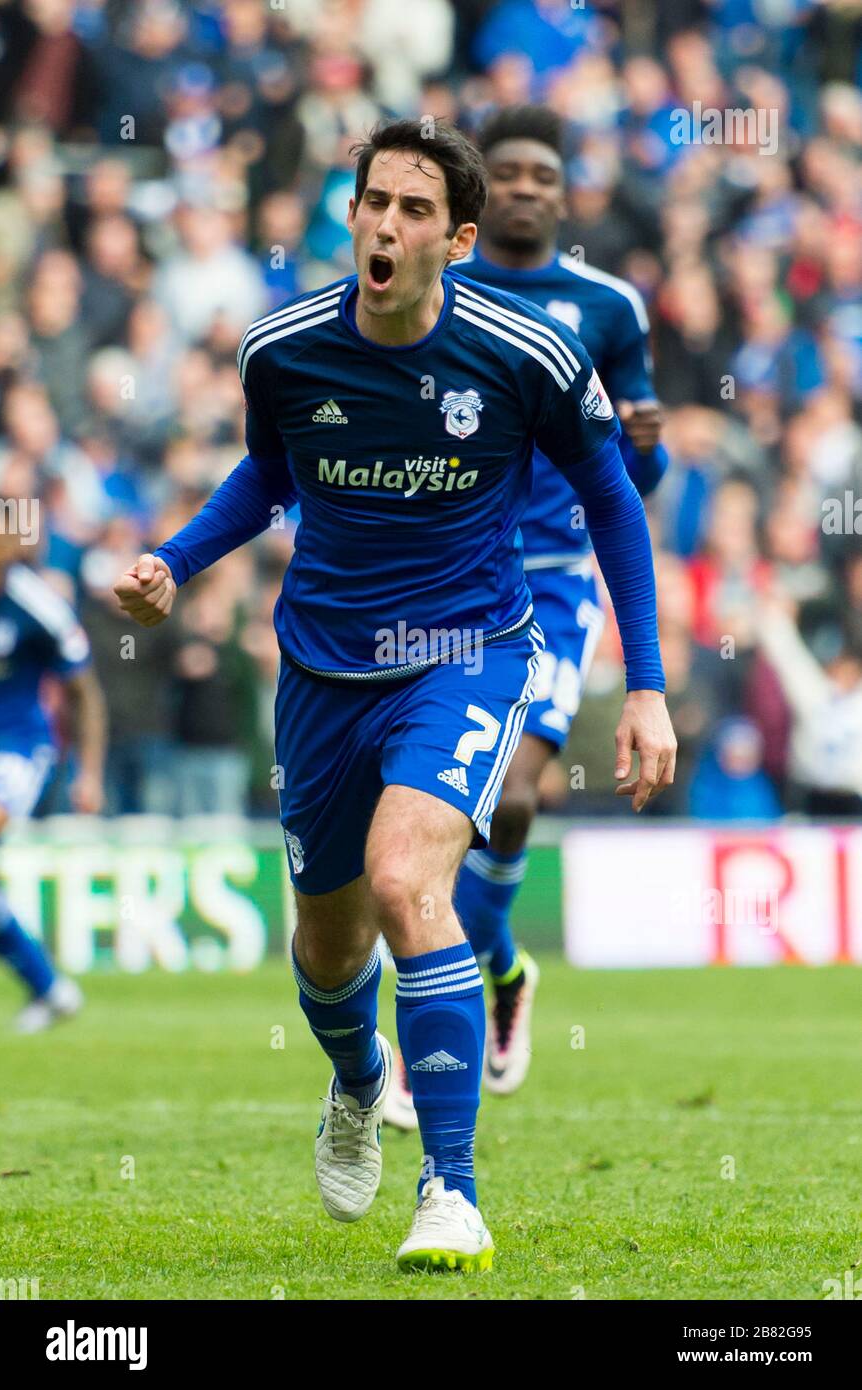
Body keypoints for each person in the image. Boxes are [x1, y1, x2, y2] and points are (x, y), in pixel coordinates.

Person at [113, 119, 676, 1273]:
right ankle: (360, 1080)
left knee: (404, 881)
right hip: (322, 668)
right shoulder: (281, 349)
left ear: (457, 239)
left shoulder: (529, 354)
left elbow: (613, 502)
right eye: (375, 200)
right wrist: (173, 559)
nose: (386, 223)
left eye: (416, 211)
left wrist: (648, 688)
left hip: (468, 653)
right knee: (325, 950)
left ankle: (452, 1191)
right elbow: (270, 474)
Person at [385, 105, 669, 1123]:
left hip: (548, 578)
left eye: (541, 174)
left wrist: (650, 442)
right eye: (503, 173)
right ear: (477, 194)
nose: (524, 188)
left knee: (507, 798)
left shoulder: (606, 307)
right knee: (428, 824)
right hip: (442, 571)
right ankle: (496, 971)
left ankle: (437, 1028)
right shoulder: (435, 293)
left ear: (563, 189)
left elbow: (629, 474)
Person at [0, 502, 106, 1032]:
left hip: (17, 751)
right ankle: (50, 987)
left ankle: (49, 986)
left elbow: (85, 691)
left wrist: (89, 773)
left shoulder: (36, 605)